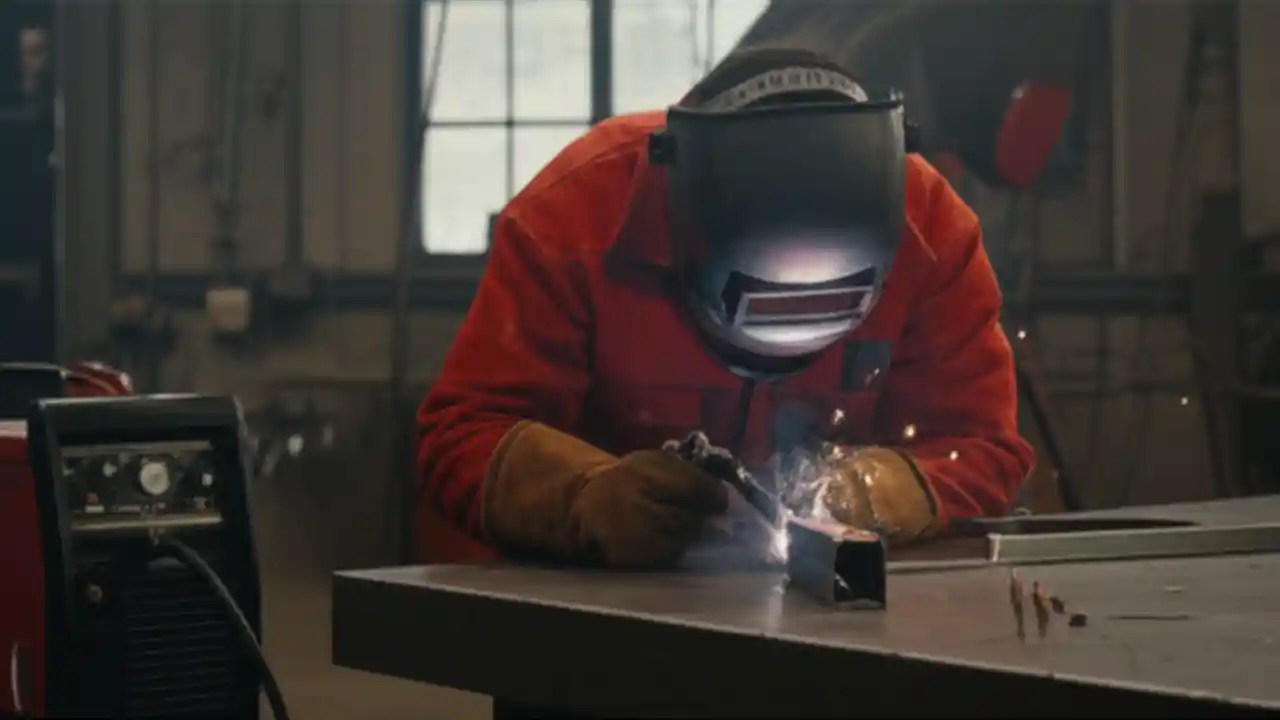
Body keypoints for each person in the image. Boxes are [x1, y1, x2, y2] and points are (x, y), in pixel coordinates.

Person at [416, 47, 1035, 567]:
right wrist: (584, 497)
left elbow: (980, 447)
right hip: (595, 601)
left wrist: (879, 492)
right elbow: (461, 435)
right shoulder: (571, 218)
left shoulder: (932, 232)